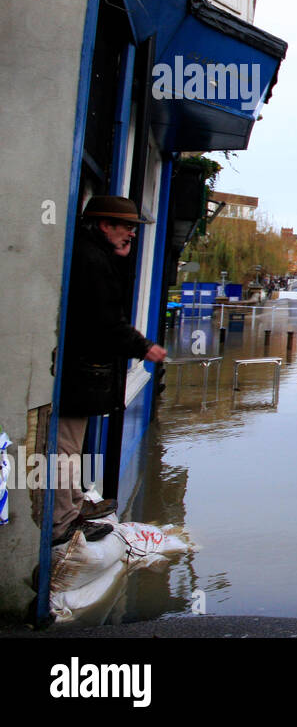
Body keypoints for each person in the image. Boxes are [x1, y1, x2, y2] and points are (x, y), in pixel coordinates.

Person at [55, 196, 166, 546]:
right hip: (77, 373)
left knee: (71, 448)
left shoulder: (95, 256)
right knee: (65, 451)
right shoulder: (93, 261)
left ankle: (73, 509)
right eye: (127, 228)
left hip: (80, 371)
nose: (131, 236)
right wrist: (143, 347)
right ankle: (63, 525)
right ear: (105, 225)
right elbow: (103, 321)